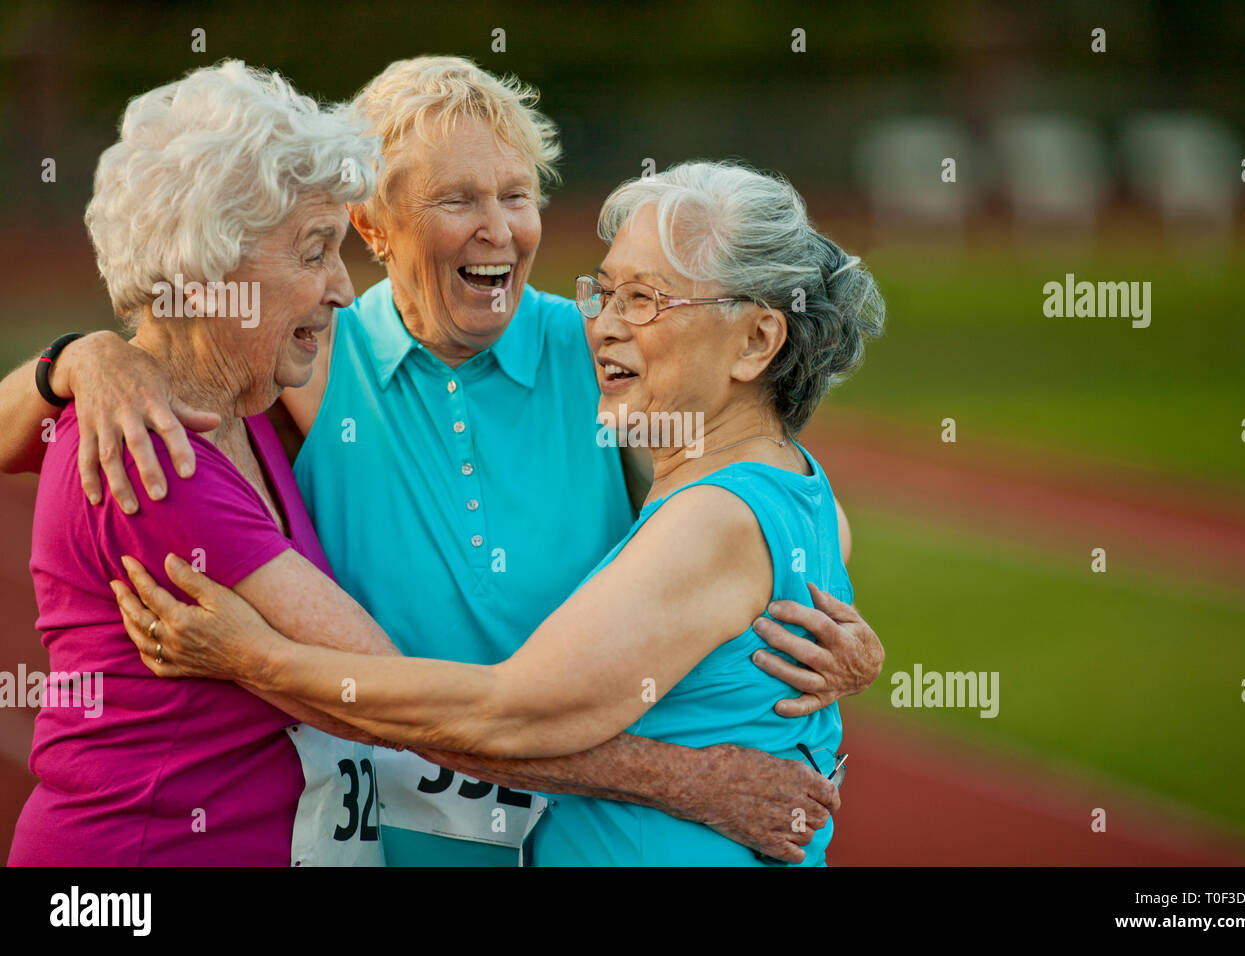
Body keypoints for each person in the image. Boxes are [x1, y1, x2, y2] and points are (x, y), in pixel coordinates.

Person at [1, 56, 884, 866]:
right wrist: (80, 361)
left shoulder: (603, 353)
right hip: (385, 841)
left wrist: (831, 617)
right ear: (372, 228)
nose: (497, 229)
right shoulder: (310, 357)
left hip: (568, 831)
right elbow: (141, 363)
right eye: (458, 200)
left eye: (517, 194)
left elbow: (773, 494)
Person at [6, 59, 392, 865]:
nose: (343, 288)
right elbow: (390, 694)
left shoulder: (246, 403)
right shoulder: (152, 455)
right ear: (213, 270)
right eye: (316, 250)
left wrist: (78, 353)